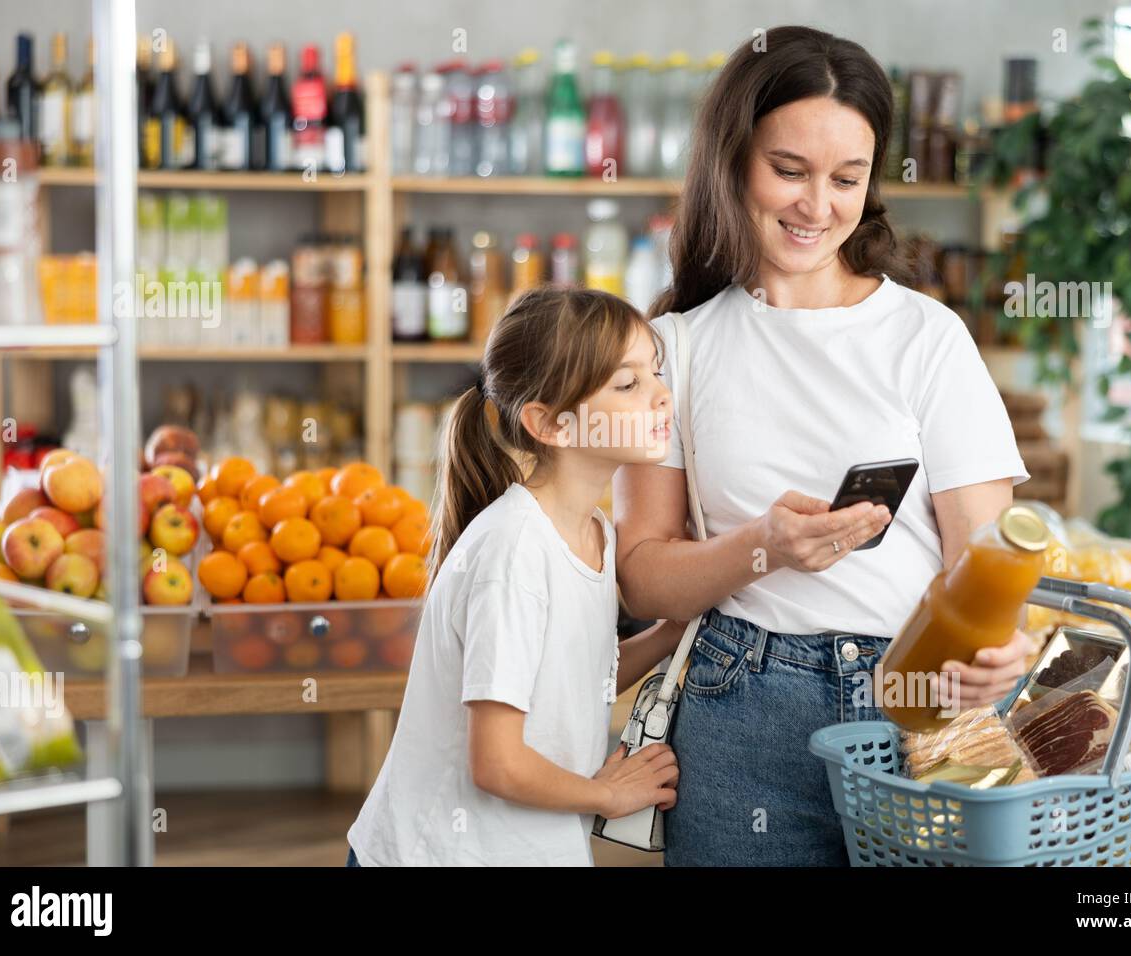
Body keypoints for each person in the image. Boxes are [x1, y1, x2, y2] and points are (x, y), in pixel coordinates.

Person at [613, 25, 1031, 867]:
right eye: (789, 171)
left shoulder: (927, 336)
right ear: (732, 160)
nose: (818, 207)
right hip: (742, 707)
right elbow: (643, 571)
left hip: (918, 695)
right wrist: (759, 549)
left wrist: (1001, 651)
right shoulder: (675, 347)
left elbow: (985, 563)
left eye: (847, 179)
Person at [347, 287, 683, 866]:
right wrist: (610, 793)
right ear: (549, 423)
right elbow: (496, 763)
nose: (661, 396)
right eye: (628, 385)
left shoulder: (593, 531)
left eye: (655, 373)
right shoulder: (515, 551)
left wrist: (670, 634)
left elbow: (577, 676)